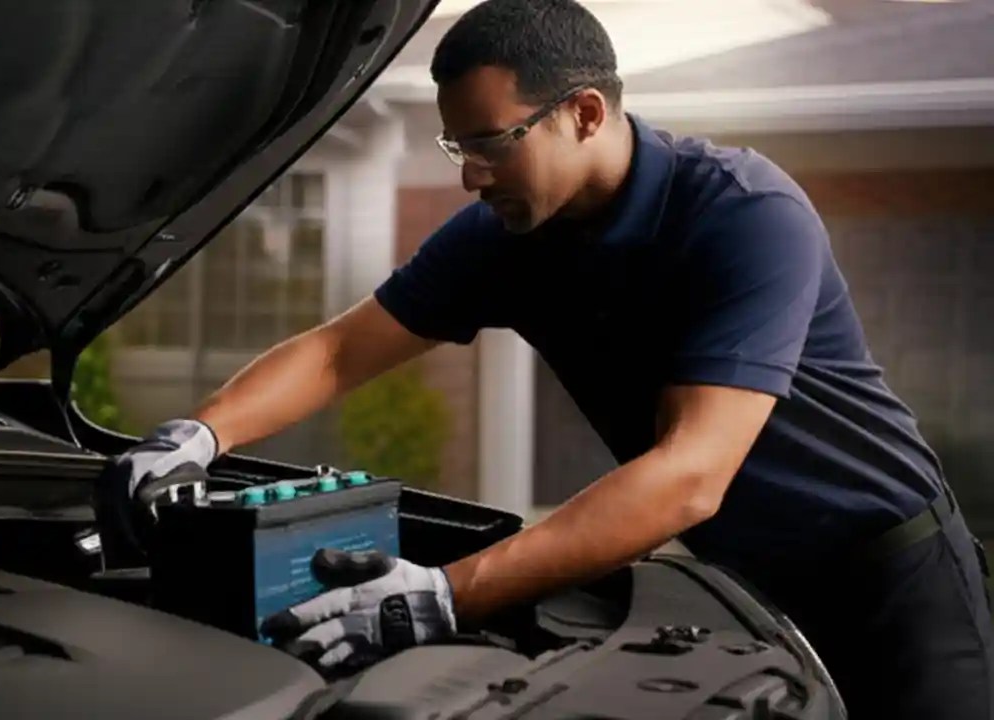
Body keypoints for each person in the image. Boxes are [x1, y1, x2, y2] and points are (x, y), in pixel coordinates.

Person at [102, 0, 994, 716]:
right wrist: (196, 435)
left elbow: (690, 474)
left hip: (891, 575)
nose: (470, 176)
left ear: (585, 112)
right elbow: (340, 351)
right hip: (737, 582)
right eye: (458, 147)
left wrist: (447, 594)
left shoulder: (744, 214)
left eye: (489, 144)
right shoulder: (502, 236)